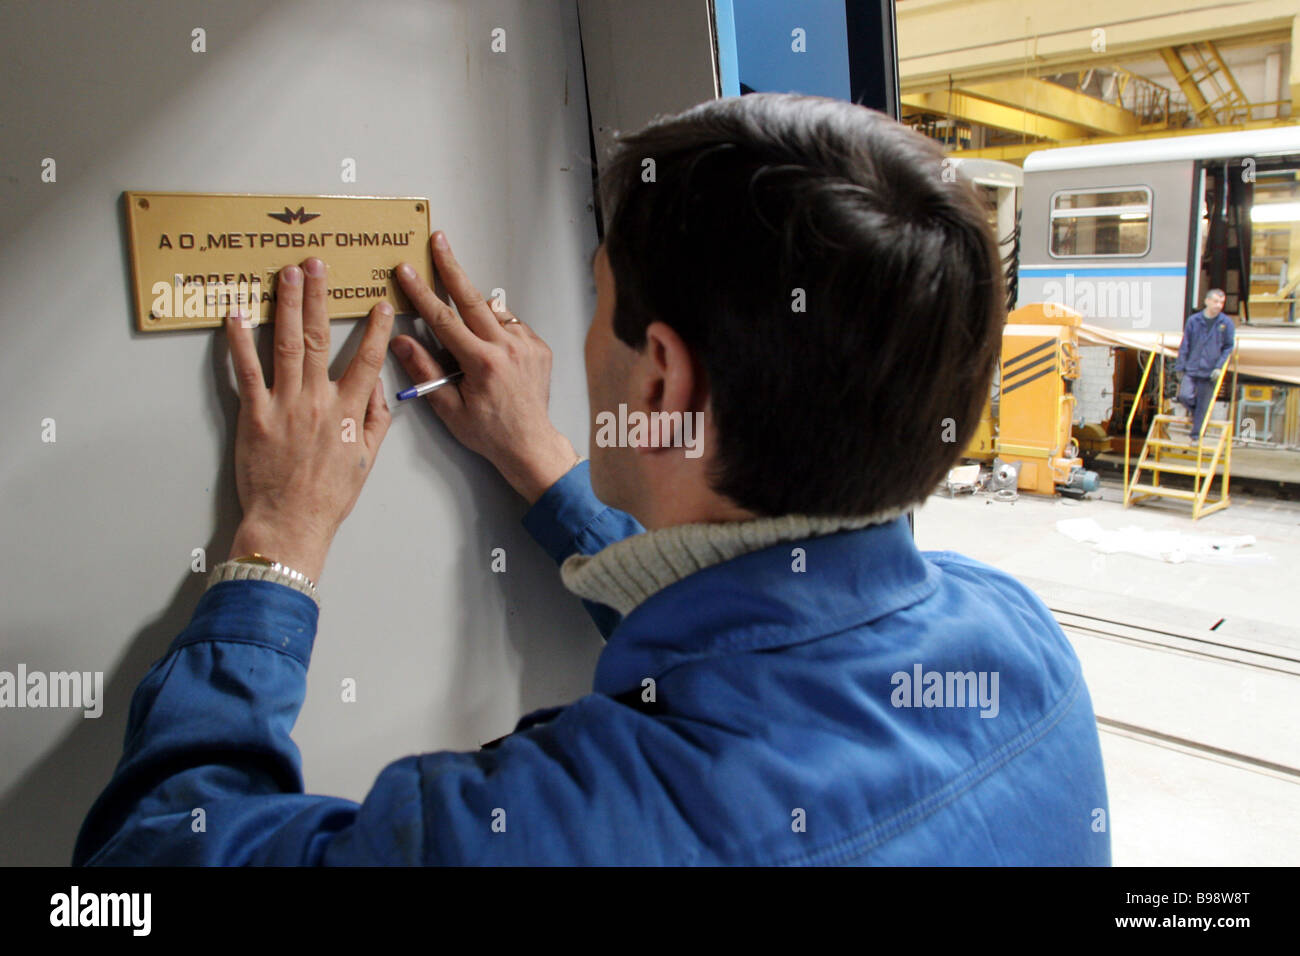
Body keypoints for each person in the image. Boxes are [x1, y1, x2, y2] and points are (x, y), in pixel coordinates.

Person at [73, 93, 1109, 865]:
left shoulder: (540, 836)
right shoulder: (1019, 645)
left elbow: (142, 867)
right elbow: (775, 654)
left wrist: (276, 546)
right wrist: (550, 471)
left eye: (597, 298)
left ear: (659, 377)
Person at [1175, 288, 1236, 439]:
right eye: (1216, 301)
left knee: (1204, 403)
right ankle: (1197, 414)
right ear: (1207, 301)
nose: (1219, 305)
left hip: (1210, 372)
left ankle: (1196, 436)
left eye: (1221, 302)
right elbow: (1185, 344)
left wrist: (1219, 367)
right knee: (1184, 396)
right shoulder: (1194, 321)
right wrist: (1180, 366)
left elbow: (1228, 346)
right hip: (1192, 367)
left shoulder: (1226, 323)